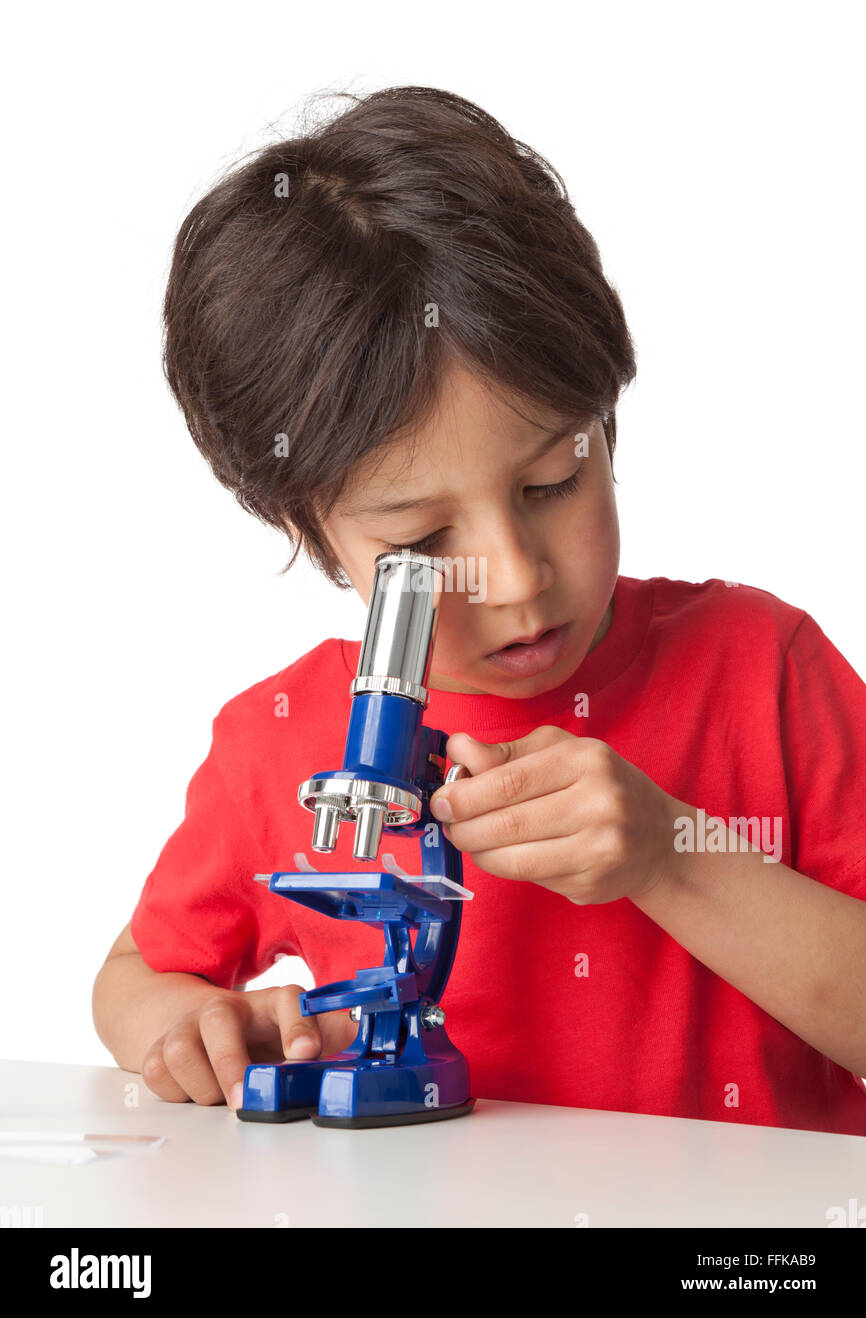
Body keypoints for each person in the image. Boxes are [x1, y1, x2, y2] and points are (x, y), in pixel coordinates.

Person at [92, 85, 866, 1134]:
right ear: (304, 526)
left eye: (551, 481)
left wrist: (673, 855)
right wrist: (190, 1023)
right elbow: (138, 974)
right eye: (418, 543)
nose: (510, 575)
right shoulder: (270, 744)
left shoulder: (760, 670)